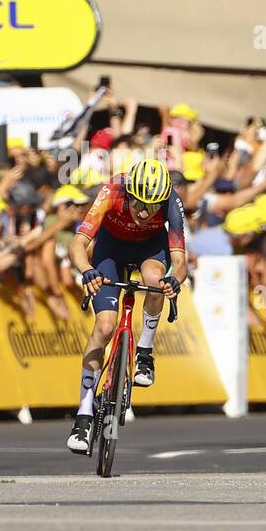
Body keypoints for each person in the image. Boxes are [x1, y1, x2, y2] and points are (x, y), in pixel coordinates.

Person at [67, 158, 186, 454]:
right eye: (139, 205)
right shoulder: (113, 190)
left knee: (156, 280)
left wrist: (175, 280)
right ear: (129, 194)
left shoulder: (170, 198)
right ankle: (83, 415)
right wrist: (87, 271)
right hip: (111, 249)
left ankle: (144, 351)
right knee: (106, 326)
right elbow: (77, 244)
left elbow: (180, 259)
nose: (145, 212)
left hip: (150, 248)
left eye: (153, 206)